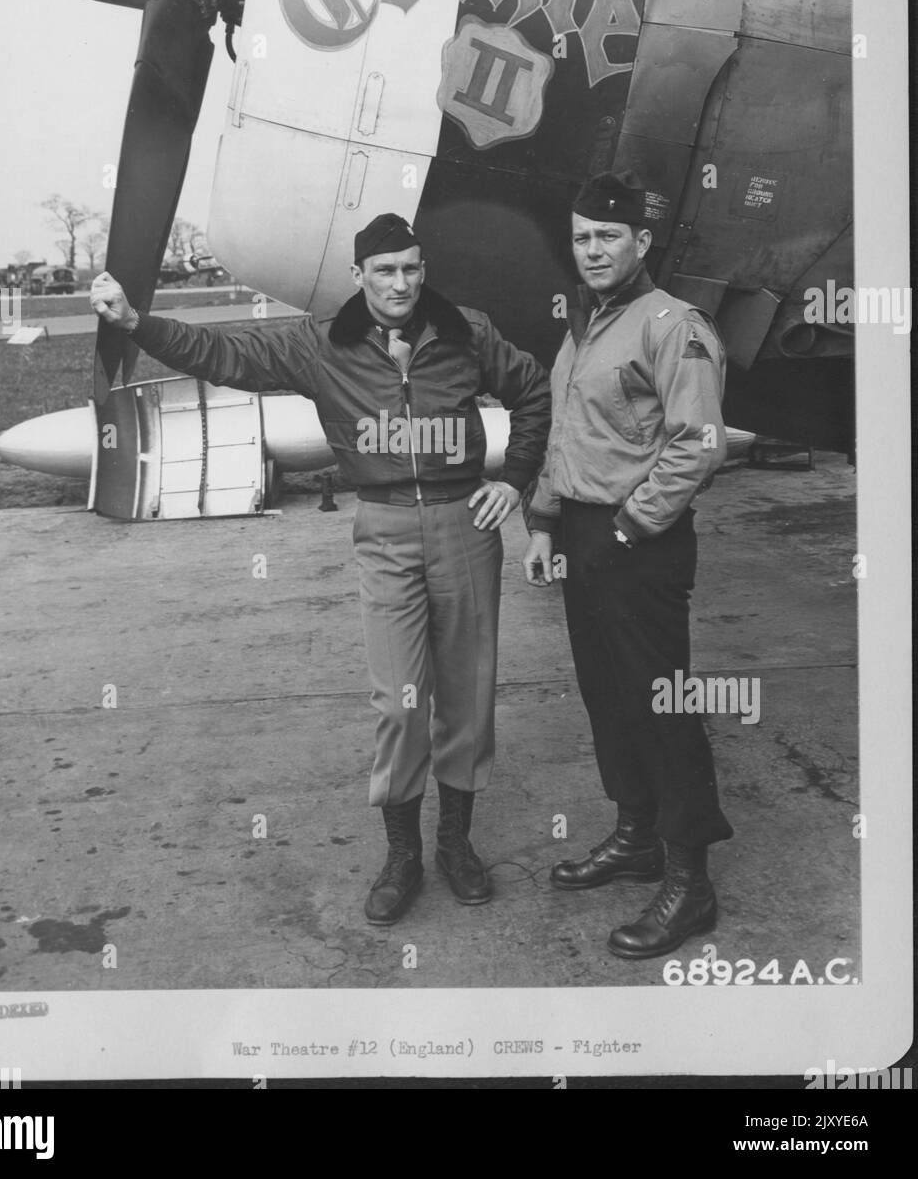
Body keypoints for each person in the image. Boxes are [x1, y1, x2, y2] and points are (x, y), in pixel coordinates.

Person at [92, 213, 550, 926]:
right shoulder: (320, 344)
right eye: (384, 271)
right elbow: (222, 355)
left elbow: (532, 392)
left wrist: (513, 480)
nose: (400, 283)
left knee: (467, 695)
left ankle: (455, 844)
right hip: (386, 528)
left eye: (410, 268)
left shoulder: (467, 331)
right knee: (400, 703)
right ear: (358, 277)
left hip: (466, 525)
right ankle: (401, 856)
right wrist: (136, 324)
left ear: (422, 269)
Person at [522, 172, 733, 960]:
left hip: (636, 543)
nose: (592, 250)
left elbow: (697, 444)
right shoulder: (584, 326)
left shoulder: (669, 325)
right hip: (583, 536)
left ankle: (690, 883)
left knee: (661, 706)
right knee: (608, 698)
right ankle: (636, 836)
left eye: (607, 236)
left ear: (640, 243)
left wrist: (629, 525)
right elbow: (565, 438)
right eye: (581, 237)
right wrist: (544, 520)